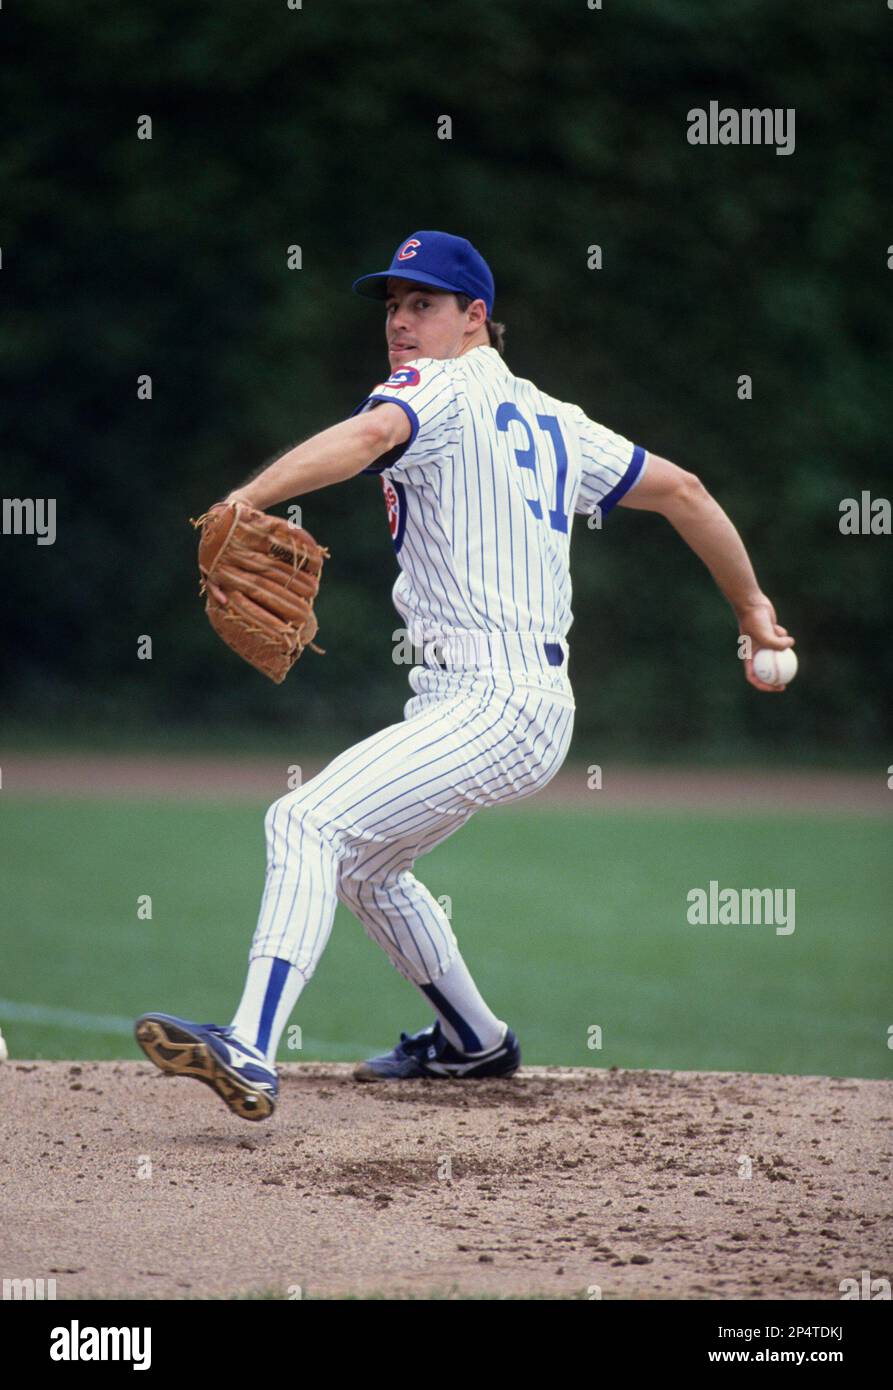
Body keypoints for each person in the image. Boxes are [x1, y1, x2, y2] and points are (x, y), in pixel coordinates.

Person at [135, 230, 795, 1121]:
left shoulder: (435, 388)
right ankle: (475, 1042)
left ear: (473, 317)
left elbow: (372, 434)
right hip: (495, 704)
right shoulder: (556, 419)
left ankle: (250, 1047)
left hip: (495, 699)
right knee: (367, 870)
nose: (400, 323)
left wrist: (243, 500)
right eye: (393, 306)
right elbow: (683, 490)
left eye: (423, 304)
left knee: (303, 819)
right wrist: (752, 611)